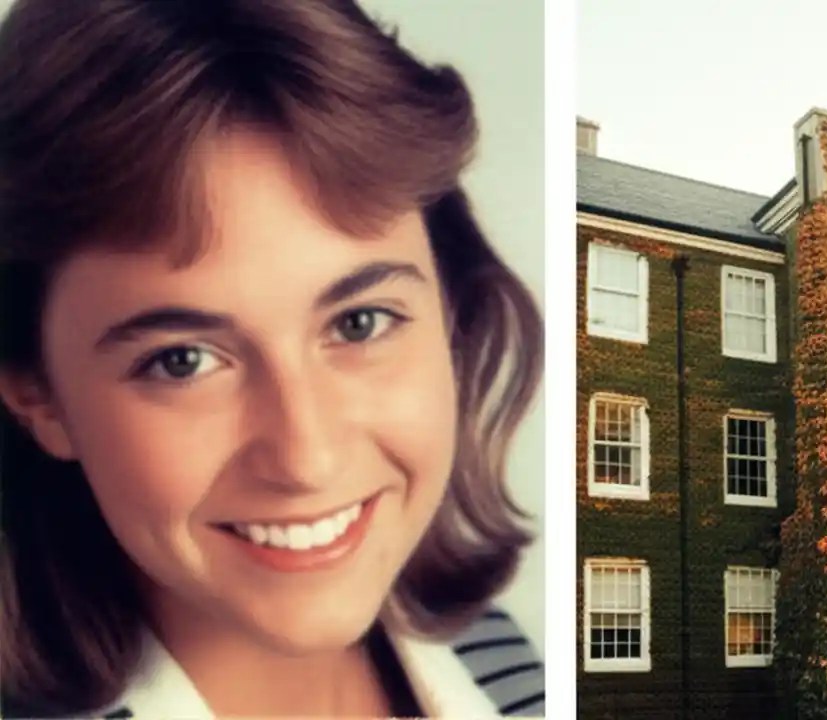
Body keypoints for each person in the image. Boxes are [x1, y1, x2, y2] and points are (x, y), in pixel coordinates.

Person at [0, 0, 544, 717]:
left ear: (448, 312)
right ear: (37, 391)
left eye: (360, 321)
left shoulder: (502, 657)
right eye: (183, 361)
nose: (306, 457)